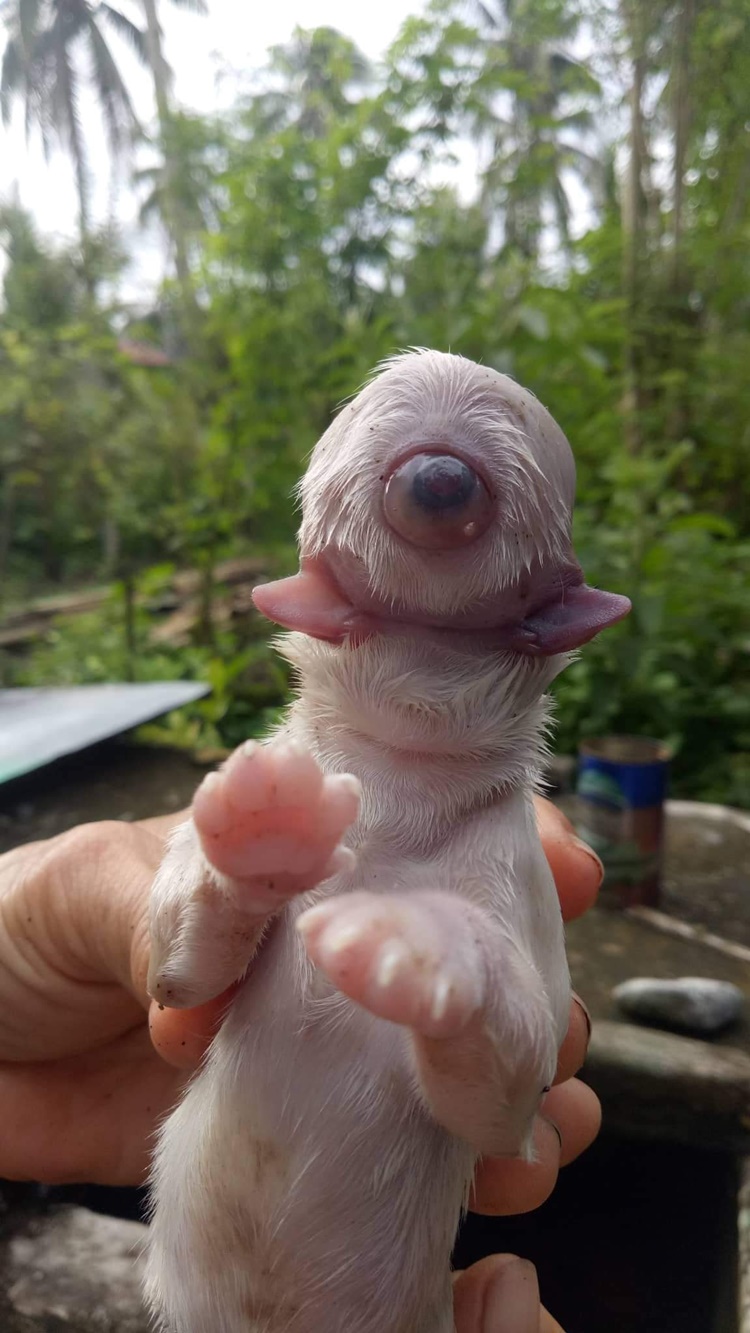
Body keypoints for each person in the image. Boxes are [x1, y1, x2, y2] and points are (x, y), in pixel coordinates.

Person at [0, 795, 602, 1333]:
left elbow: (502, 1116)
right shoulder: (280, 791)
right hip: (205, 1276)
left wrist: (473, 994)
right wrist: (221, 889)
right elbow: (180, 979)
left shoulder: (506, 843)